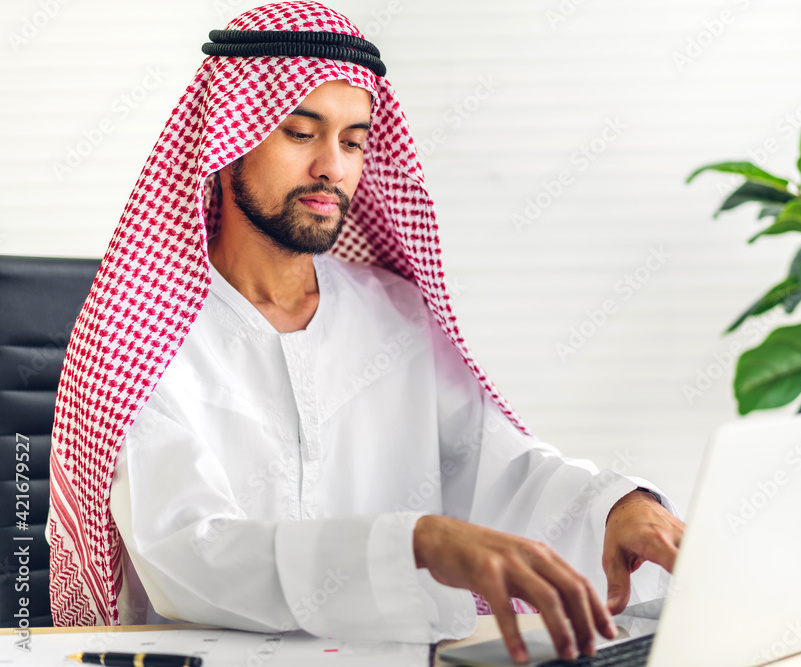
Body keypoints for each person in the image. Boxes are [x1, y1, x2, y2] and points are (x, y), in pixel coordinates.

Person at [47, 2, 685, 662]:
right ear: (224, 142)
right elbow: (190, 556)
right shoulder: (147, 335)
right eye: (300, 132)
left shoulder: (396, 316)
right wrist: (418, 543)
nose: (333, 166)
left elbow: (502, 469)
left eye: (353, 141)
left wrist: (615, 506)